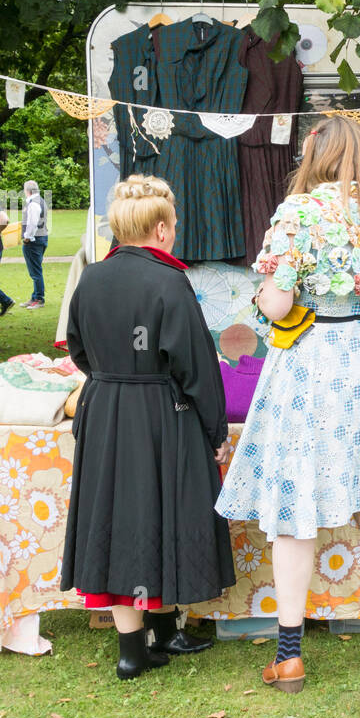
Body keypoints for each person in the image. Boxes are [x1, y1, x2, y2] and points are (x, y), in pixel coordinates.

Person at [215, 115, 360, 694]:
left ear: (315, 155)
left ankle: (289, 655)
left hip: (311, 363)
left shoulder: (299, 214)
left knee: (295, 498)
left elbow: (279, 307)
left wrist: (263, 296)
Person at [61, 174, 235, 680]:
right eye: (174, 225)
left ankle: (137, 647)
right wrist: (214, 431)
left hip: (105, 408)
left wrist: (109, 381)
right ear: (160, 230)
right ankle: (157, 635)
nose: (175, 233)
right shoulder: (169, 281)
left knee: (120, 521)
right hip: (160, 411)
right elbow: (197, 368)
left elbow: (77, 348)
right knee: (161, 515)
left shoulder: (91, 278)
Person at [20, 180, 48, 308]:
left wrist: (27, 237)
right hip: (41, 238)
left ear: (28, 191)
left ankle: (38, 298)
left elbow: (32, 223)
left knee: (35, 272)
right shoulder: (41, 201)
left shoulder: (33, 204)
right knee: (36, 270)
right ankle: (35, 296)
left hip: (34, 241)